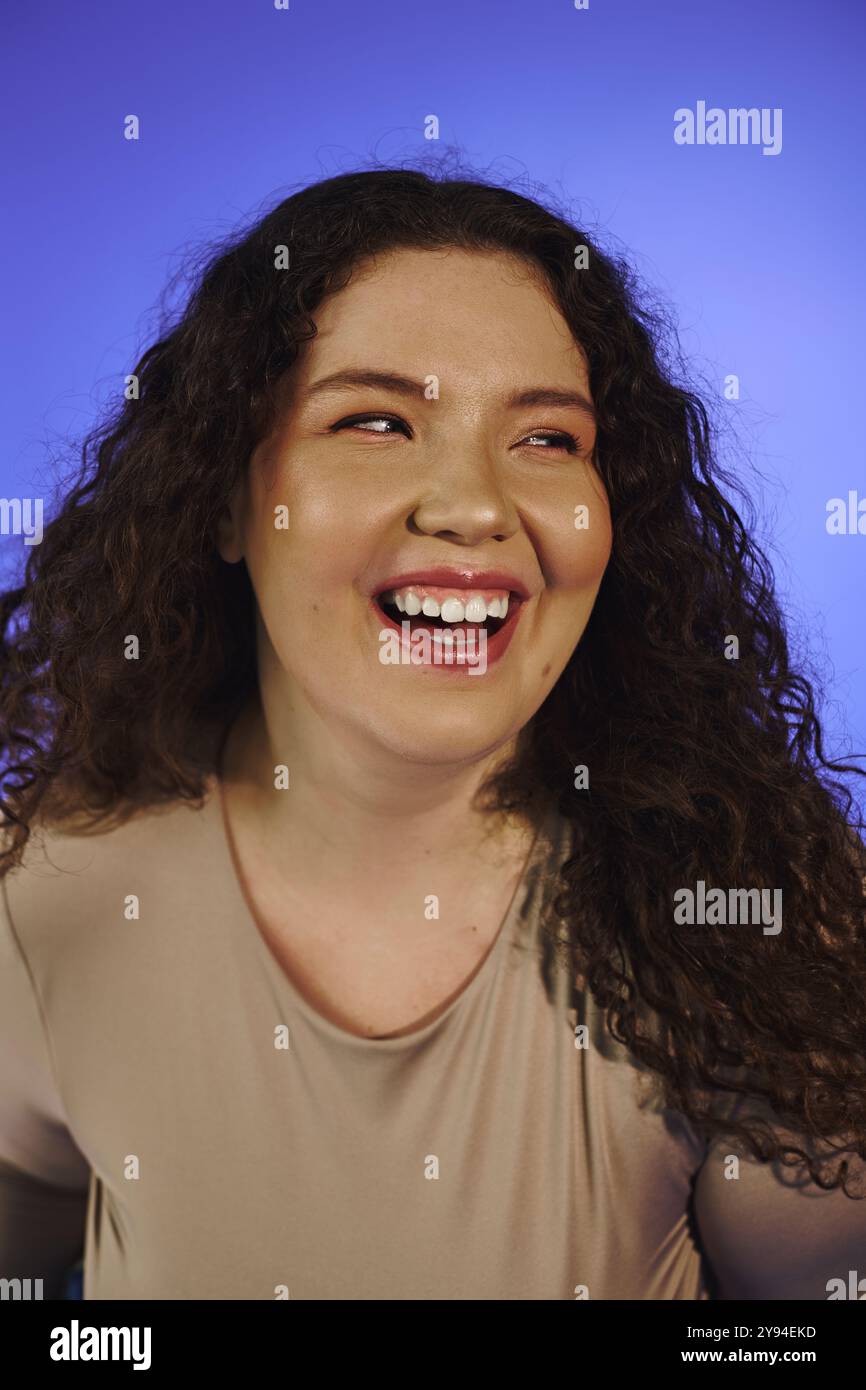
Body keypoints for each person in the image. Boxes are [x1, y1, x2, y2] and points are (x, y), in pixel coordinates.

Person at [1, 164, 864, 1301]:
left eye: (547, 440)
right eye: (374, 421)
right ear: (220, 498)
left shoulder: (751, 928)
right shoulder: (46, 892)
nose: (470, 503)